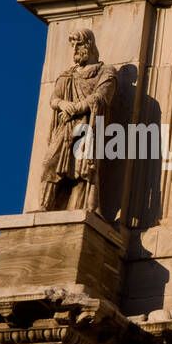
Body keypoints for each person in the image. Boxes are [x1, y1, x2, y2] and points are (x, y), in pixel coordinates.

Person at [39, 28, 117, 213]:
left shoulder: (105, 71)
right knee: (49, 163)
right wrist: (64, 104)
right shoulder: (68, 75)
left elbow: (102, 96)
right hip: (65, 126)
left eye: (78, 45)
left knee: (82, 170)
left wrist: (78, 108)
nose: (74, 49)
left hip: (87, 126)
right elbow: (54, 99)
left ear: (89, 45)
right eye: (73, 45)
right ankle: (44, 207)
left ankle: (78, 209)